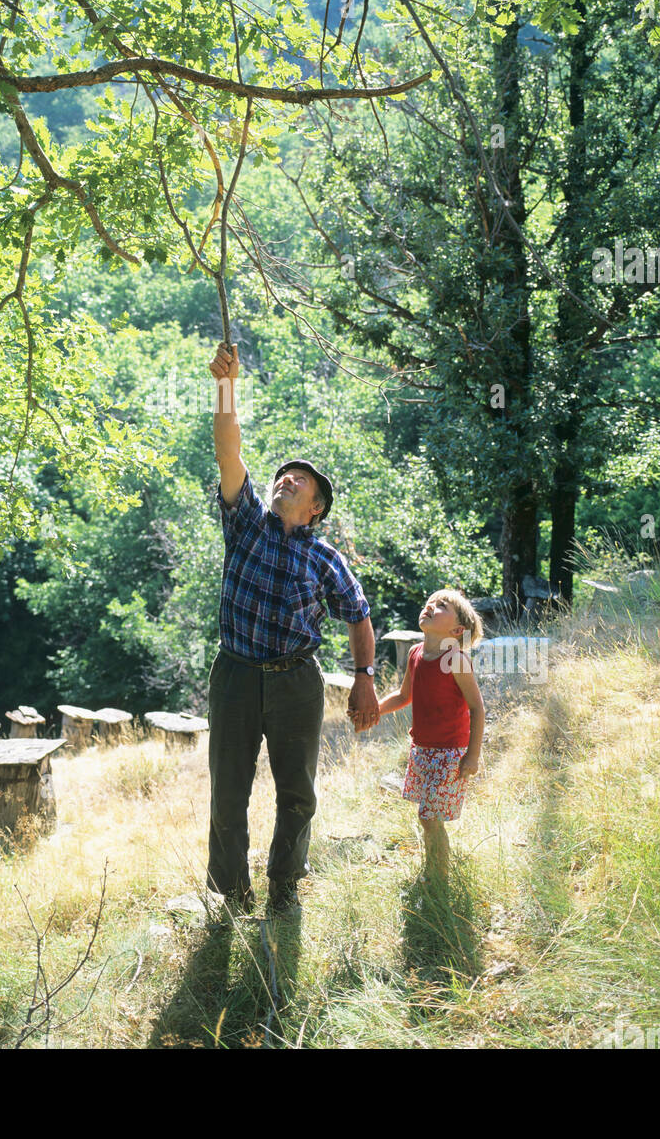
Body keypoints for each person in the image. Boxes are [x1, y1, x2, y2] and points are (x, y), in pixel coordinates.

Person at [206, 341, 378, 917]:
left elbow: (359, 616)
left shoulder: (326, 559)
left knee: (297, 795)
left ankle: (284, 886)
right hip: (233, 675)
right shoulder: (247, 523)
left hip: (296, 683)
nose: (286, 482)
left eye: (299, 482)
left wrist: (364, 680)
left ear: (316, 509)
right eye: (282, 476)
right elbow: (229, 452)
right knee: (228, 794)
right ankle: (232, 894)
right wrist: (226, 386)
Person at [374, 588, 485, 878]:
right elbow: (402, 696)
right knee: (427, 818)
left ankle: (438, 878)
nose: (431, 606)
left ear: (457, 629)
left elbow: (477, 708)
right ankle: (434, 871)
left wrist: (472, 756)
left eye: (442, 605)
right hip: (422, 749)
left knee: (429, 816)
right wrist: (375, 710)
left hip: (450, 753)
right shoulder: (415, 653)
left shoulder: (457, 660)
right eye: (429, 603)